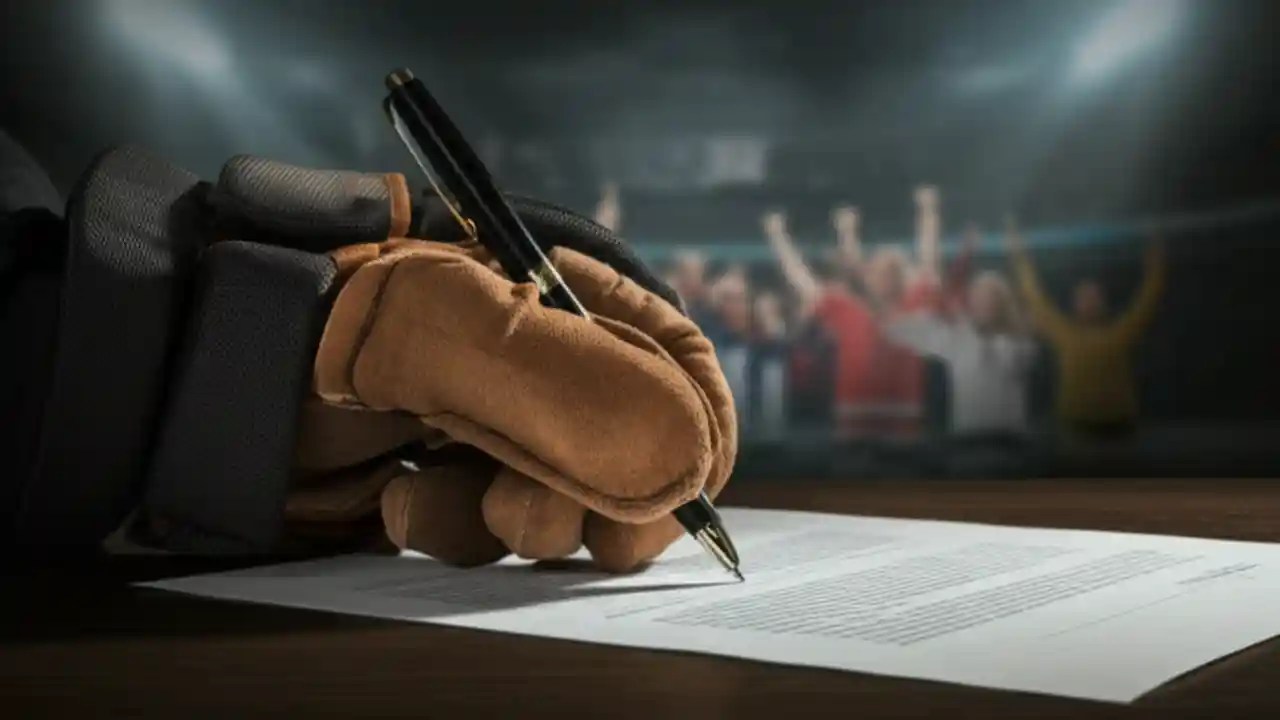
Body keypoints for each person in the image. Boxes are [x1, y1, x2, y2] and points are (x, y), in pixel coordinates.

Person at [762, 190, 941, 439]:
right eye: (879, 272)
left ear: (901, 278)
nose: (885, 279)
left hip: (903, 433)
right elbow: (803, 282)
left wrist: (928, 211)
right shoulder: (848, 311)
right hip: (854, 434)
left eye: (892, 272)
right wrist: (778, 237)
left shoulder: (913, 309)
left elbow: (928, 263)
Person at [1007, 217, 1167, 436]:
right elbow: (1034, 295)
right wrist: (1018, 253)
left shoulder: (1120, 331)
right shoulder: (1063, 331)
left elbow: (1149, 295)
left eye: (1094, 297)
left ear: (1104, 302)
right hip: (1075, 425)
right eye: (1083, 297)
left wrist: (1156, 253)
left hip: (1118, 424)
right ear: (1074, 304)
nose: (1089, 302)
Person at [886, 262, 1037, 436]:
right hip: (967, 440)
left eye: (991, 297)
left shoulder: (1021, 344)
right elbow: (895, 331)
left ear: (1003, 304)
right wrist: (934, 311)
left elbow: (1010, 358)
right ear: (971, 301)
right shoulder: (956, 338)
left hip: (1010, 440)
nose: (985, 303)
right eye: (979, 296)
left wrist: (959, 322)